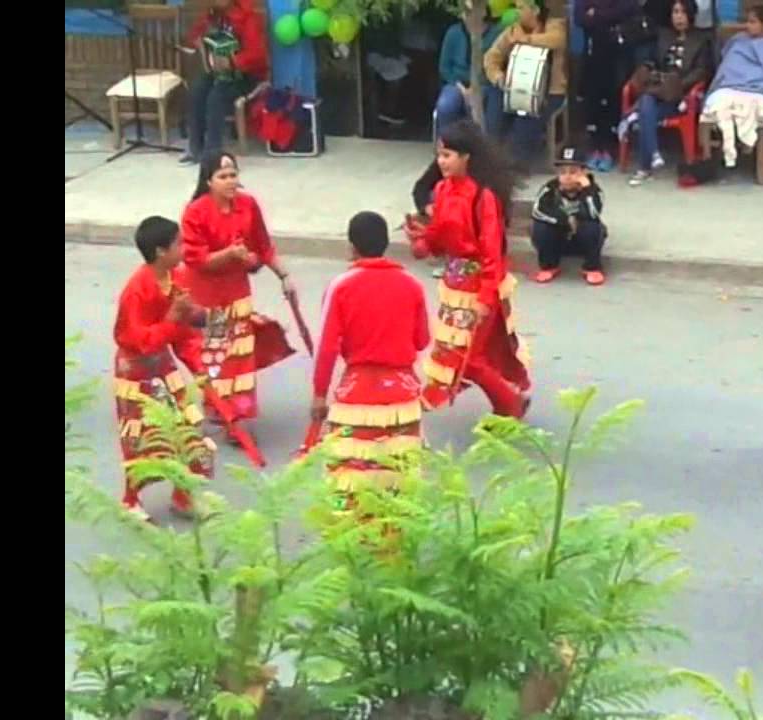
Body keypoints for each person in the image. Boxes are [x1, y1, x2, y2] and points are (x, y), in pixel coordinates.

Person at [405, 120, 532, 418]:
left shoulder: (483, 197)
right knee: (463, 353)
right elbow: (438, 239)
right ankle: (508, 403)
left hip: (479, 287)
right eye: (439, 155)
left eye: (448, 155)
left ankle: (510, 404)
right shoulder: (441, 189)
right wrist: (421, 241)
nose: (441, 161)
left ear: (466, 158)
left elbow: (493, 252)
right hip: (454, 287)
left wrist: (487, 300)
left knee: (468, 357)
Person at [310, 211, 431, 503]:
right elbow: (422, 340)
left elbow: (325, 348)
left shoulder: (341, 286)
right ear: (387, 243)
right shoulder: (412, 285)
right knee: (400, 486)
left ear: (352, 247)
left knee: (351, 483)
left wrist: (319, 395)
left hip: (357, 394)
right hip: (402, 395)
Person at [180, 151, 297, 432]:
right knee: (217, 355)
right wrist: (231, 255)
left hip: (238, 293)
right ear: (209, 181)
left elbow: (263, 245)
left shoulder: (248, 205)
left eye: (234, 175)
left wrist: (284, 276)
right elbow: (196, 260)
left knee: (240, 356)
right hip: (208, 298)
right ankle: (219, 406)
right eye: (223, 176)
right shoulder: (195, 212)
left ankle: (238, 415)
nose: (230, 181)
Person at [113, 216, 215, 520]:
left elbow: (183, 332)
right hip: (136, 371)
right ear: (160, 251)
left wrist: (200, 368)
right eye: (179, 243)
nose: (184, 248)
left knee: (188, 425)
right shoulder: (137, 290)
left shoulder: (175, 278)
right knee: (140, 437)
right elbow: (141, 340)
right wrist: (172, 319)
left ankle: (183, 495)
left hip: (164, 366)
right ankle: (130, 500)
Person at [623, 0, 714, 186]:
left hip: (680, 98)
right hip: (658, 93)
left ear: (690, 15)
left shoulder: (702, 40)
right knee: (647, 102)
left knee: (644, 108)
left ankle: (645, 167)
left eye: (682, 12)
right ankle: (653, 154)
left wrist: (678, 84)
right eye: (675, 12)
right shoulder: (663, 36)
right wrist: (650, 71)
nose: (678, 17)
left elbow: (702, 71)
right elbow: (653, 61)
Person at [180, 0, 268, 167]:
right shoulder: (213, 15)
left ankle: (213, 153)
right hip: (220, 73)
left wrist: (234, 61)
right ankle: (196, 148)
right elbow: (195, 35)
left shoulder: (247, 18)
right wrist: (198, 40)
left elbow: (258, 55)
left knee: (216, 96)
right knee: (197, 90)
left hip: (247, 75)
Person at [484, 0, 569, 171]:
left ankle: (516, 166)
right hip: (514, 87)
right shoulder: (513, 30)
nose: (517, 11)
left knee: (527, 118)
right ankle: (491, 158)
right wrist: (499, 77)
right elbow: (491, 57)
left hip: (550, 92)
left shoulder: (554, 25)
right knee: (495, 103)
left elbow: (557, 40)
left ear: (535, 10)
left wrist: (527, 40)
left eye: (521, 7)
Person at [700, 4, 763, 169]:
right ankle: (709, 161)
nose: (748, 26)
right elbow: (728, 65)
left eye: (753, 22)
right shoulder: (739, 40)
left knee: (753, 105)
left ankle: (747, 147)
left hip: (758, 90)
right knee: (716, 102)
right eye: (747, 22)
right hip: (731, 86)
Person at [577, 0, 648, 171]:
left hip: (619, 56)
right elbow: (579, 18)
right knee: (593, 102)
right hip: (593, 56)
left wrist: (596, 13)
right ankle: (595, 148)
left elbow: (629, 8)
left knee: (613, 100)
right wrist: (606, 15)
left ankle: (610, 149)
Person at [530, 145, 608, 285]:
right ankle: (549, 265)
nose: (567, 177)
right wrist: (565, 220)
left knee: (593, 227)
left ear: (584, 172)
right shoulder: (549, 189)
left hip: (583, 241)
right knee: (539, 227)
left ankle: (592, 267)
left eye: (573, 172)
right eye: (562, 172)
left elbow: (594, 213)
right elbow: (537, 211)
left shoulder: (594, 190)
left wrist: (587, 190)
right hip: (558, 239)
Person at [435, 12, 505, 138]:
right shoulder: (453, 32)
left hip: (487, 83)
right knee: (445, 106)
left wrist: (477, 88)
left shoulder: (497, 33)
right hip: (457, 83)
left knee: (493, 110)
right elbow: (444, 67)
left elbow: (500, 64)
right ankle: (448, 146)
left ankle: (488, 149)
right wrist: (462, 89)